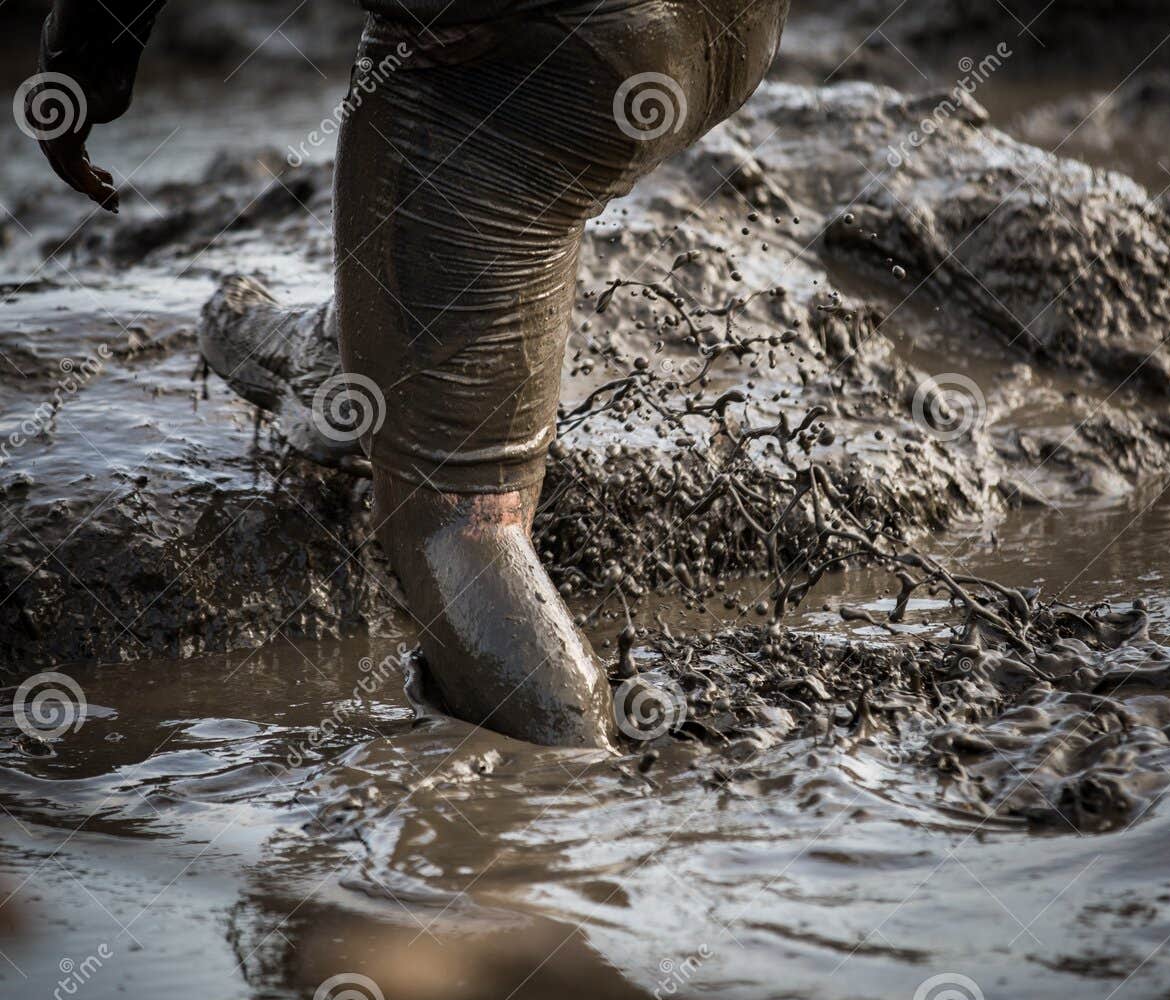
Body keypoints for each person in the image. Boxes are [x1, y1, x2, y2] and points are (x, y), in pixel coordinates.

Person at [29, 0, 791, 748]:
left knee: (461, 517)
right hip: (733, 27)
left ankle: (571, 783)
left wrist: (80, 65)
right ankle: (361, 353)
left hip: (531, 53)